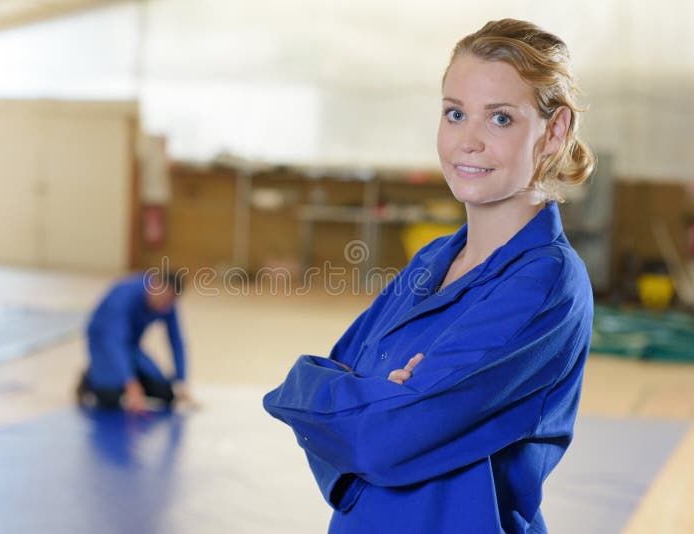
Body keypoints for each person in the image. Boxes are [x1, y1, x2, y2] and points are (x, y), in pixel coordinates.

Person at [263, 18, 595, 534]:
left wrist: (351, 398)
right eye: (455, 114)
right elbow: (317, 389)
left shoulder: (545, 284)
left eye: (501, 119)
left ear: (554, 131)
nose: (469, 141)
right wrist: (348, 393)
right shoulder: (431, 261)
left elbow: (382, 439)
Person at [77, 269, 194, 413]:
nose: (165, 306)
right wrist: (130, 382)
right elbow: (114, 342)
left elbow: (176, 340)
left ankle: (127, 377)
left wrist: (181, 381)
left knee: (167, 393)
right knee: (110, 397)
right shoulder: (123, 296)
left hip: (131, 347)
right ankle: (90, 378)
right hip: (103, 342)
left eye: (170, 301)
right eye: (165, 299)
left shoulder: (167, 304)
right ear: (155, 285)